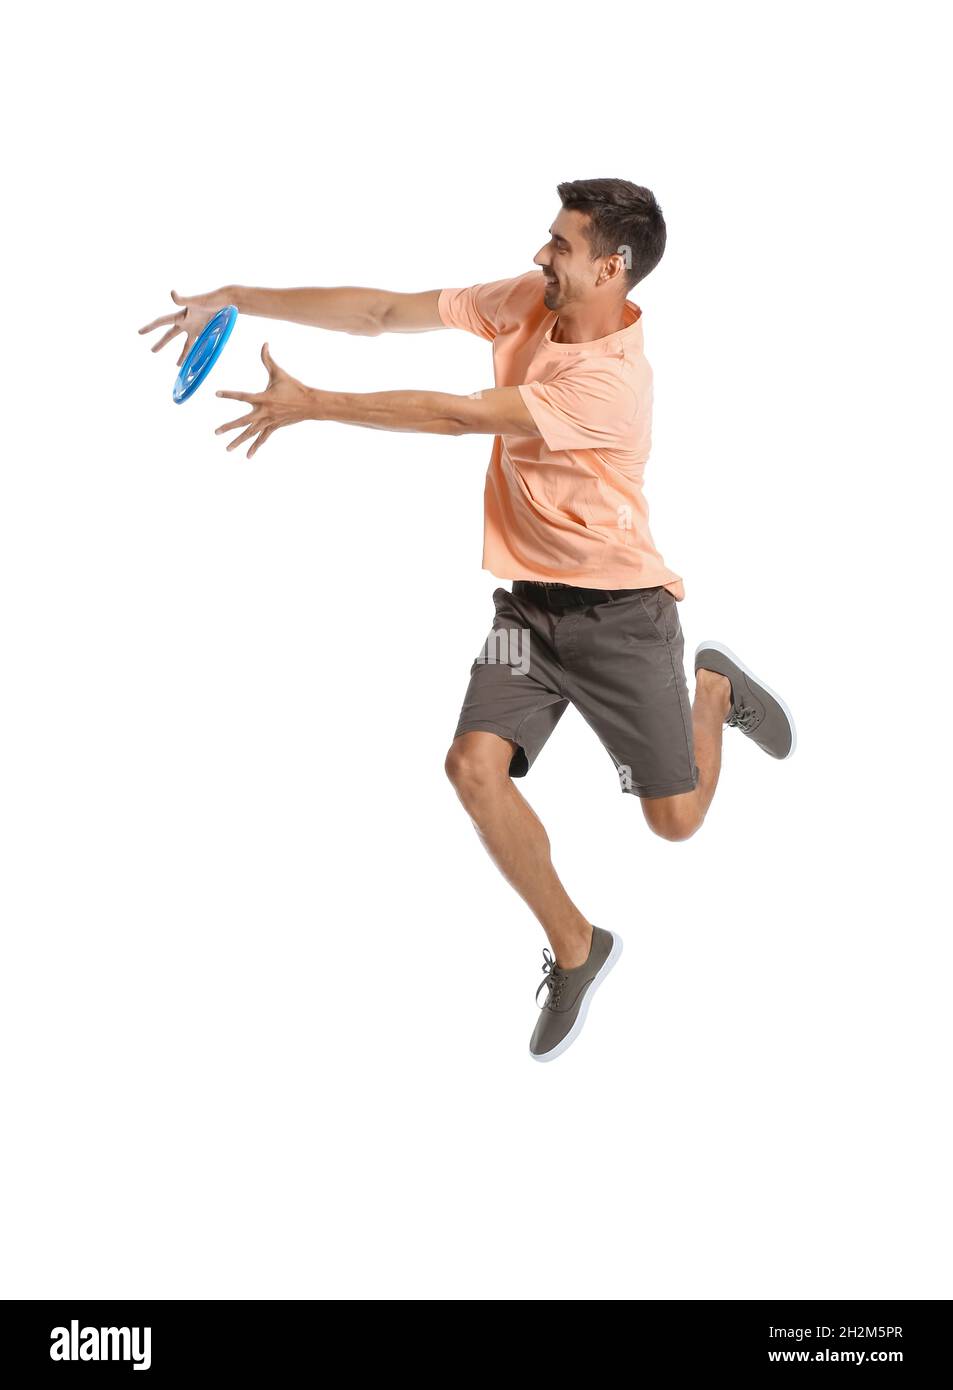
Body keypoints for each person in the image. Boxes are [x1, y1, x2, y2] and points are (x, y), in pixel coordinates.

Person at [140, 177, 796, 1063]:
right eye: (547, 239)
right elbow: (379, 312)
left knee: (675, 825)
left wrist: (316, 404)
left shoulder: (610, 384)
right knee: (471, 768)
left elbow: (460, 418)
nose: (539, 257)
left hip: (622, 622)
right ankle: (577, 946)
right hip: (525, 609)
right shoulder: (530, 302)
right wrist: (234, 297)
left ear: (613, 268)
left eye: (560, 247)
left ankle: (710, 689)